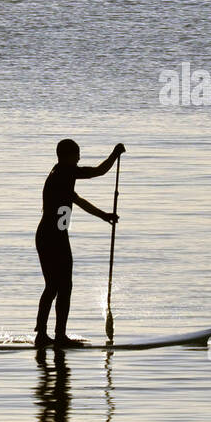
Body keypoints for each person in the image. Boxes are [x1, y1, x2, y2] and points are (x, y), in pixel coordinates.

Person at [34, 139, 125, 347]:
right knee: (57, 286)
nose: (79, 159)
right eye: (77, 155)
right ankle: (49, 335)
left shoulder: (62, 176)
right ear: (66, 157)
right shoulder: (63, 173)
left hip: (56, 236)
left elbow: (80, 201)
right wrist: (115, 154)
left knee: (60, 286)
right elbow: (98, 172)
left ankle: (53, 335)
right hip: (50, 237)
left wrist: (104, 216)